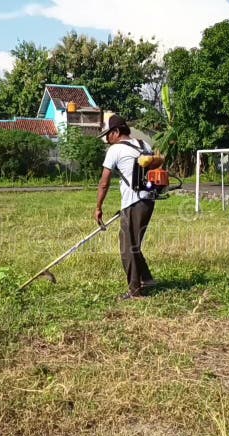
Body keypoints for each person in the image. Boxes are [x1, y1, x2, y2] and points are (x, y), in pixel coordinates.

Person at [94, 115, 156, 300]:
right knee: (133, 243)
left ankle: (135, 291)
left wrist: (98, 207)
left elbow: (104, 183)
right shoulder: (145, 145)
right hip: (149, 200)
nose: (107, 139)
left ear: (116, 132)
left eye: (108, 135)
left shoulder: (115, 150)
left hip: (133, 202)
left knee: (127, 247)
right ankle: (146, 279)